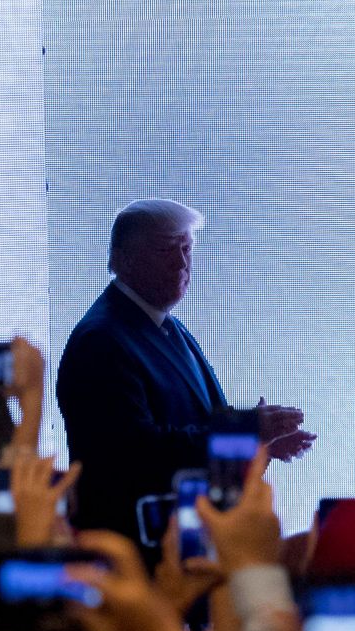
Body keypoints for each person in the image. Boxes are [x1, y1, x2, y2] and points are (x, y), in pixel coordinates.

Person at [56, 198, 314, 538]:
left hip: (184, 539)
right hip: (137, 548)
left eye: (187, 249)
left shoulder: (164, 324)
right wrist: (248, 430)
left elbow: (194, 425)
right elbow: (138, 454)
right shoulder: (101, 341)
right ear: (123, 260)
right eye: (166, 250)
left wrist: (258, 444)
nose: (181, 263)